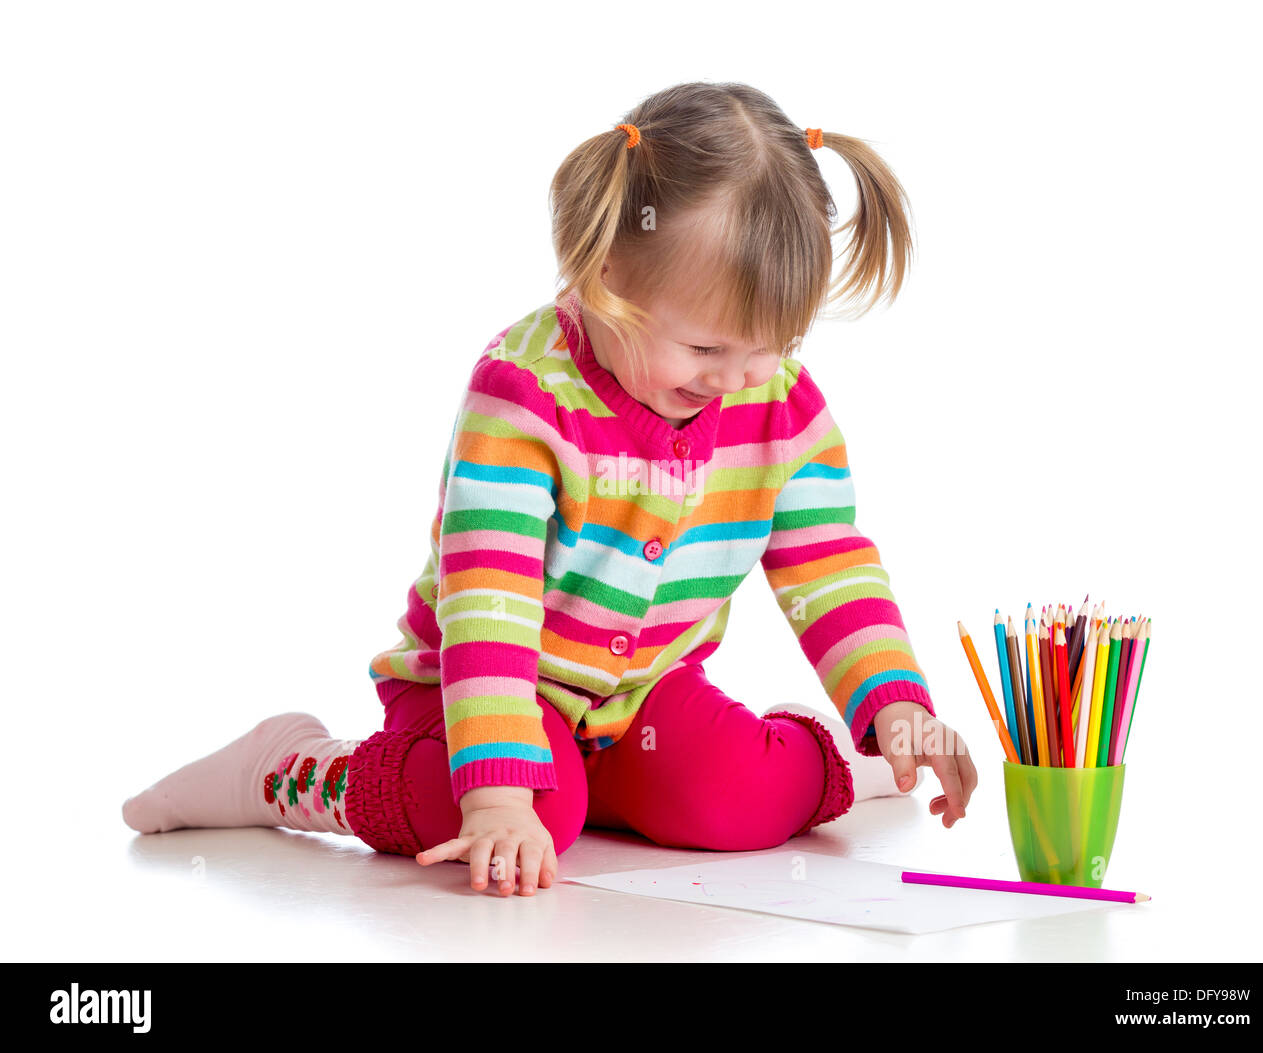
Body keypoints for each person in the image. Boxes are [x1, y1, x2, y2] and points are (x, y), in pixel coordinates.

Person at [122, 81, 977, 899]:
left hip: (639, 695)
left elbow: (828, 563)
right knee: (510, 813)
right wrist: (497, 791)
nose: (741, 377)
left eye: (773, 343)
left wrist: (894, 700)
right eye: (708, 350)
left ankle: (836, 752)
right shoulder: (526, 393)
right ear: (605, 274)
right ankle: (290, 767)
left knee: (733, 798)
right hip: (479, 683)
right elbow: (487, 598)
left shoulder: (776, 398)